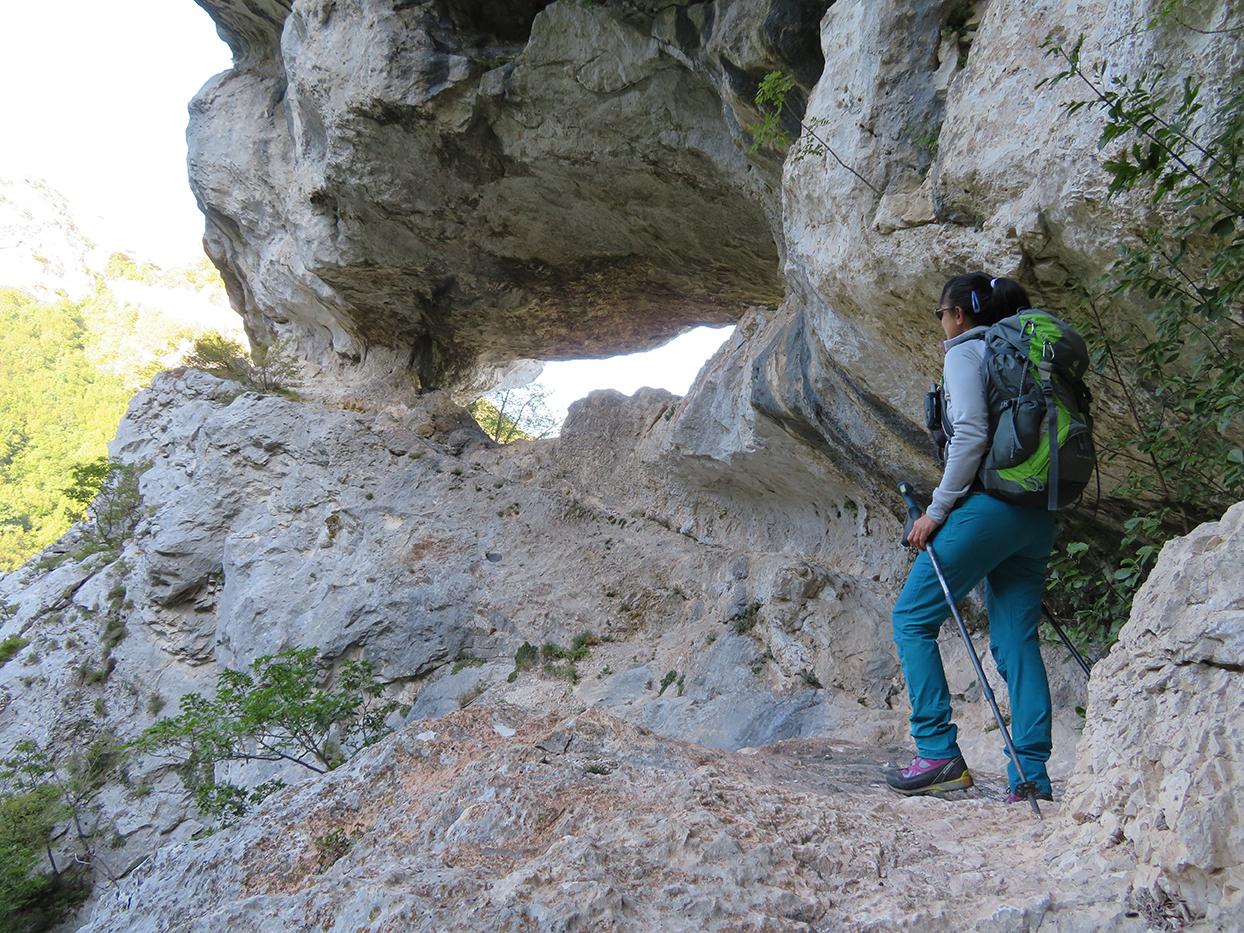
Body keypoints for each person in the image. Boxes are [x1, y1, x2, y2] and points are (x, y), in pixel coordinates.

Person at [886, 272, 1057, 802]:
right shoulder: (1025, 352)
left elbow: (971, 434)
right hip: (1038, 514)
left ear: (958, 314)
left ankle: (937, 753)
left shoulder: (966, 351)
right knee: (1015, 640)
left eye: (940, 313)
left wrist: (935, 511)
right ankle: (1031, 778)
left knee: (911, 618)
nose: (941, 323)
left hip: (990, 511)